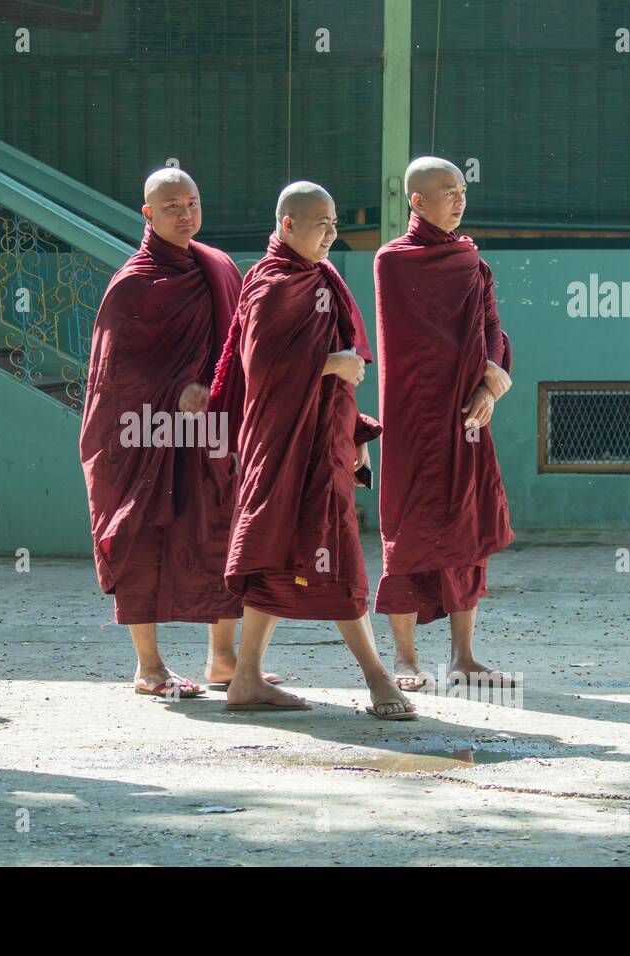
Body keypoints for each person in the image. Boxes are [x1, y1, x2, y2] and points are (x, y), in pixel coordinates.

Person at [209, 181, 415, 719]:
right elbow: (261, 370)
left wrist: (355, 437)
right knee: (334, 552)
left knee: (274, 554)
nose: (330, 233)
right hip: (281, 445)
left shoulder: (320, 278)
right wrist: (329, 363)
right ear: (287, 226)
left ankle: (247, 678)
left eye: (334, 223)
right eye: (319, 223)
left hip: (322, 441)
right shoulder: (271, 285)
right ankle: (377, 679)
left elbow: (339, 375)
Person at [81, 168, 282, 698]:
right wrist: (174, 392)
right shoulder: (133, 283)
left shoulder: (216, 266)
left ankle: (223, 659)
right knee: (141, 537)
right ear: (147, 213)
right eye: (171, 206)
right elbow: (112, 376)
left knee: (220, 531)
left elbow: (238, 346)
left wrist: (214, 395)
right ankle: (149, 667)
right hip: (145, 436)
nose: (185, 214)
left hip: (209, 431)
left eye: (192, 203)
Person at [373, 157, 516, 691]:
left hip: (466, 416)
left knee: (465, 530)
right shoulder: (394, 261)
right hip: (414, 421)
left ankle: (463, 658)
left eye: (461, 190)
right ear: (417, 201)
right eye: (446, 191)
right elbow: (414, 344)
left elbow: (493, 330)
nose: (458, 199)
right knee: (409, 532)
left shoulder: (471, 261)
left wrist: (490, 386)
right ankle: (406, 659)